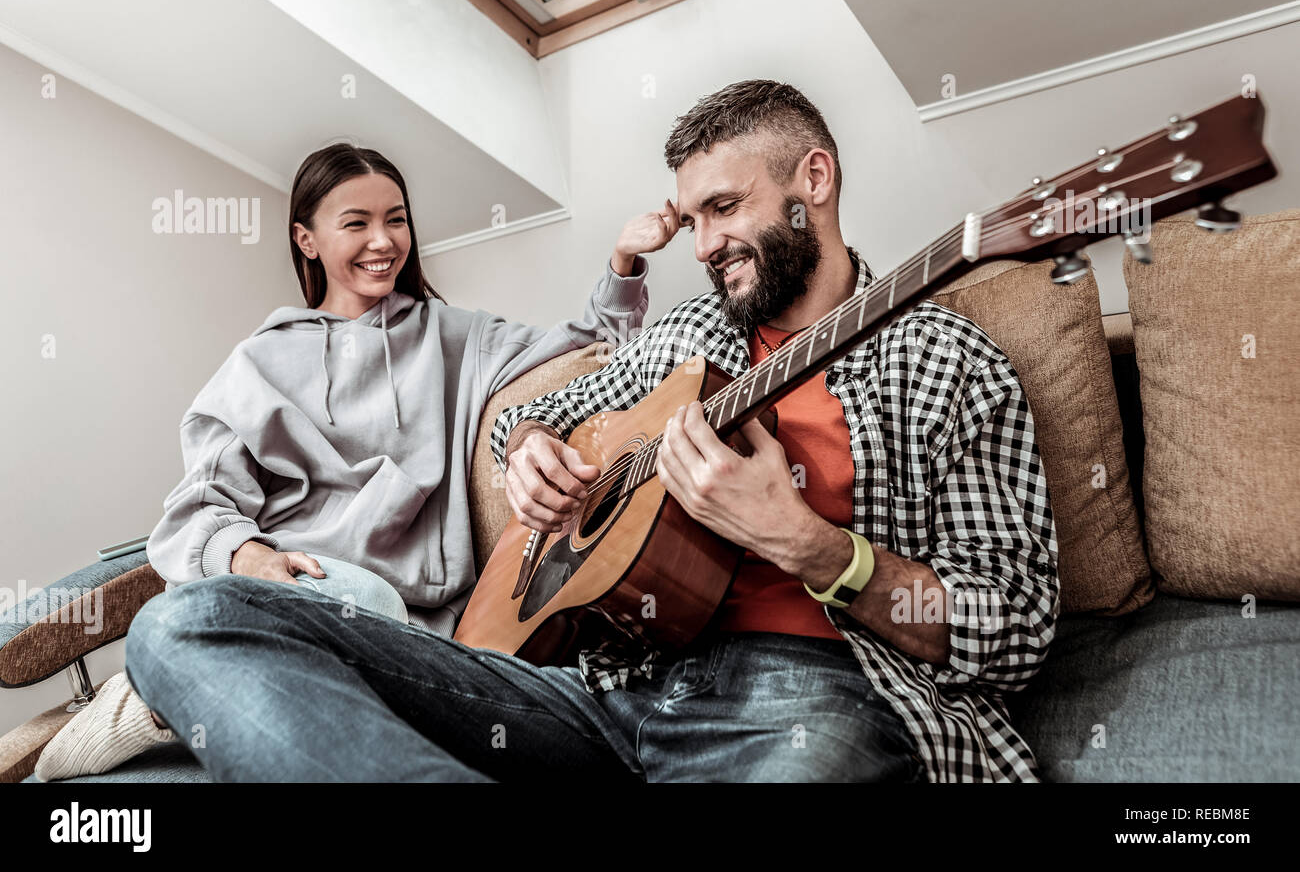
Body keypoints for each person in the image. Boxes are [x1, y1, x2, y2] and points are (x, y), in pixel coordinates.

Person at [124, 81, 1060, 782]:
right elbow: (547, 412)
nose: (701, 246)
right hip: (605, 687)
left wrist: (810, 545)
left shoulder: (946, 359)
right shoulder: (687, 333)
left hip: (810, 700)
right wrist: (526, 446)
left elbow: (1015, 631)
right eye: (691, 220)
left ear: (813, 180)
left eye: (724, 209)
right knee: (184, 620)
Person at [33, 141, 677, 781]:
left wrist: (623, 265)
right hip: (294, 587)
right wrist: (253, 559)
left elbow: (592, 357)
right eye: (356, 223)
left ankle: (158, 692)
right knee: (246, 609)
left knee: (358, 605)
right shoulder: (258, 364)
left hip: (410, 632)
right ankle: (160, 683)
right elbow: (198, 506)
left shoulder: (457, 338)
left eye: (396, 219)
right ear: (306, 240)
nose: (383, 240)